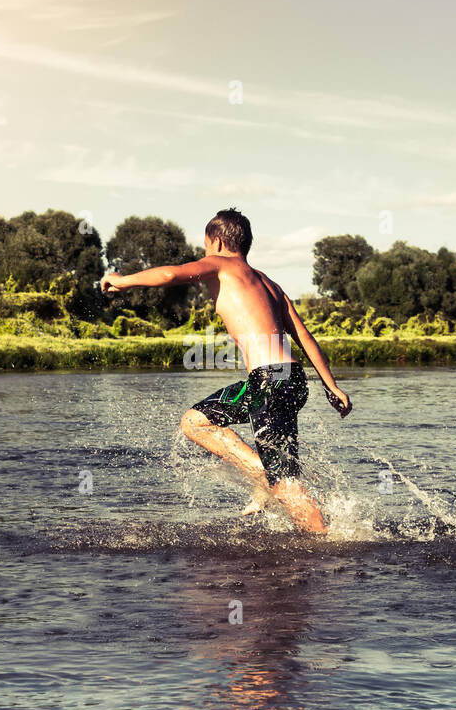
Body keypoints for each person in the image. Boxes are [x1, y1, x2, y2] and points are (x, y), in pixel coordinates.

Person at [100, 208, 352, 532]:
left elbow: (168, 275)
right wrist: (332, 386)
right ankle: (264, 475)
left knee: (285, 485)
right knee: (195, 422)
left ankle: (326, 545)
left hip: (270, 380)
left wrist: (123, 281)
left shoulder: (221, 264)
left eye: (205, 246)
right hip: (284, 378)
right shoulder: (270, 284)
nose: (204, 254)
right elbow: (303, 336)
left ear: (217, 241)